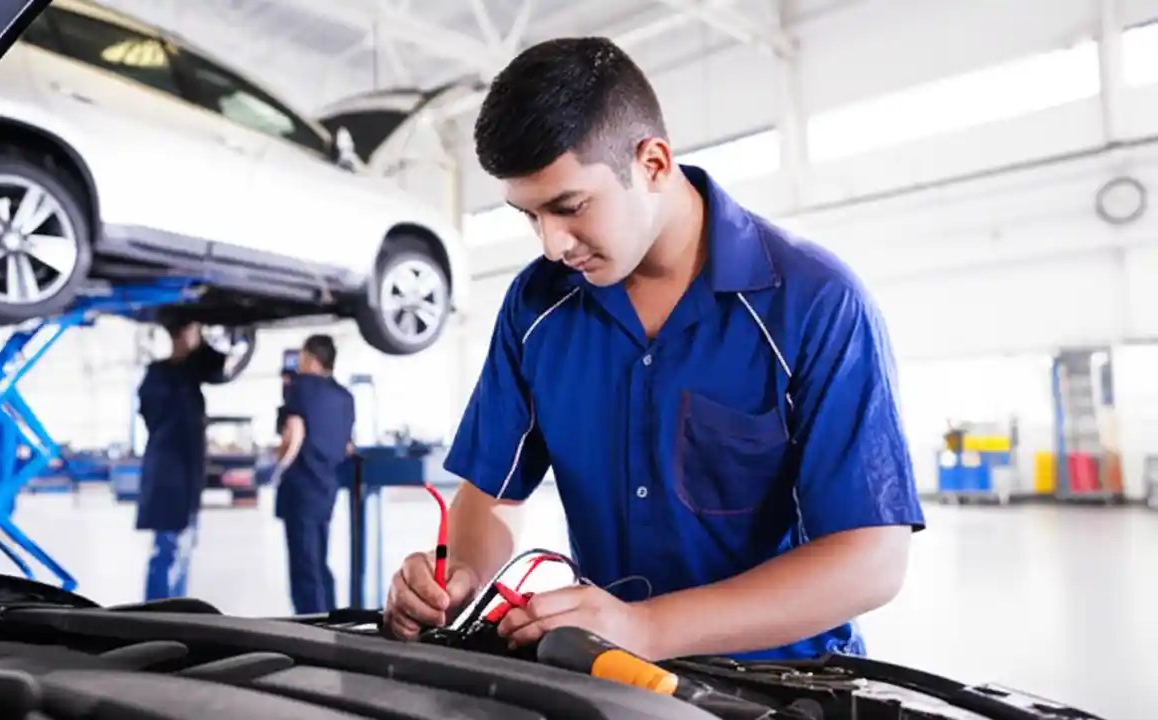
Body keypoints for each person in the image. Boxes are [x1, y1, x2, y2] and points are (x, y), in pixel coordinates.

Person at [384, 37, 926, 661]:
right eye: (530, 216)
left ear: (653, 163)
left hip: (782, 686)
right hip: (610, 676)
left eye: (569, 207)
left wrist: (650, 628)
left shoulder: (815, 303)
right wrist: (461, 584)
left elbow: (872, 559)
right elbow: (492, 492)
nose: (552, 244)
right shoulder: (538, 307)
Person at [136, 318, 227, 601]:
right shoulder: (162, 375)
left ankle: (174, 610)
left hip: (187, 479)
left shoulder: (187, 376)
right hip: (168, 480)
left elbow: (217, 367)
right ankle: (157, 612)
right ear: (178, 337)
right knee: (168, 551)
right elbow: (156, 415)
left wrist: (199, 342)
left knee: (182, 552)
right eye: (192, 334)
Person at [276, 334, 355, 615]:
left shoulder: (300, 387)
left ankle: (311, 625)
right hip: (327, 488)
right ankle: (330, 617)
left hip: (301, 487)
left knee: (303, 565)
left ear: (311, 358)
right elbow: (347, 446)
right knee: (319, 561)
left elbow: (294, 434)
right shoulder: (346, 397)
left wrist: (278, 465)